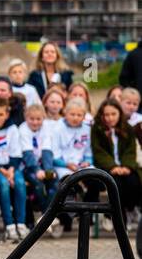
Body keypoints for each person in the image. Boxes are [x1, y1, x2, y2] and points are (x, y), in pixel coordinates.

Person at [92, 97, 140, 227]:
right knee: (115, 184)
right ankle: (119, 219)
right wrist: (112, 166)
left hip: (125, 166)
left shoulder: (127, 128)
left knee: (133, 182)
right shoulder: (97, 130)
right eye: (106, 114)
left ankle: (129, 209)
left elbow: (131, 150)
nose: (110, 118)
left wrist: (127, 166)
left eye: (113, 114)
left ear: (119, 114)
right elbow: (98, 151)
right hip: (107, 168)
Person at [0, 95, 27, 241]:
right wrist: (3, 171)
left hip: (12, 168)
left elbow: (16, 153)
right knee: (3, 185)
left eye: (1, 114)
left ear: (7, 114)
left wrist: (11, 170)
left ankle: (20, 224)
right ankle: (9, 225)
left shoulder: (13, 129)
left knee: (20, 184)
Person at [49, 97, 92, 238]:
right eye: (72, 114)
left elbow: (88, 152)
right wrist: (66, 164)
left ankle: (88, 220)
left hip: (82, 166)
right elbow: (54, 154)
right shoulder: (57, 128)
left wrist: (87, 161)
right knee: (67, 186)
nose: (75, 118)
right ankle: (63, 220)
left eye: (79, 115)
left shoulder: (87, 129)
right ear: (65, 113)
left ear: (84, 116)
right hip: (64, 166)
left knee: (95, 183)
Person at [19, 102, 56, 218]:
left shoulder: (46, 128)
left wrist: (48, 170)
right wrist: (37, 170)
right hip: (27, 167)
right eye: (32, 119)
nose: (35, 122)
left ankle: (48, 212)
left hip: (43, 165)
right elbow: (27, 154)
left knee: (55, 183)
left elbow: (47, 151)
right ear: (26, 118)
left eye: (38, 119)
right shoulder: (23, 129)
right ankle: (47, 215)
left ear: (43, 118)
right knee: (38, 185)